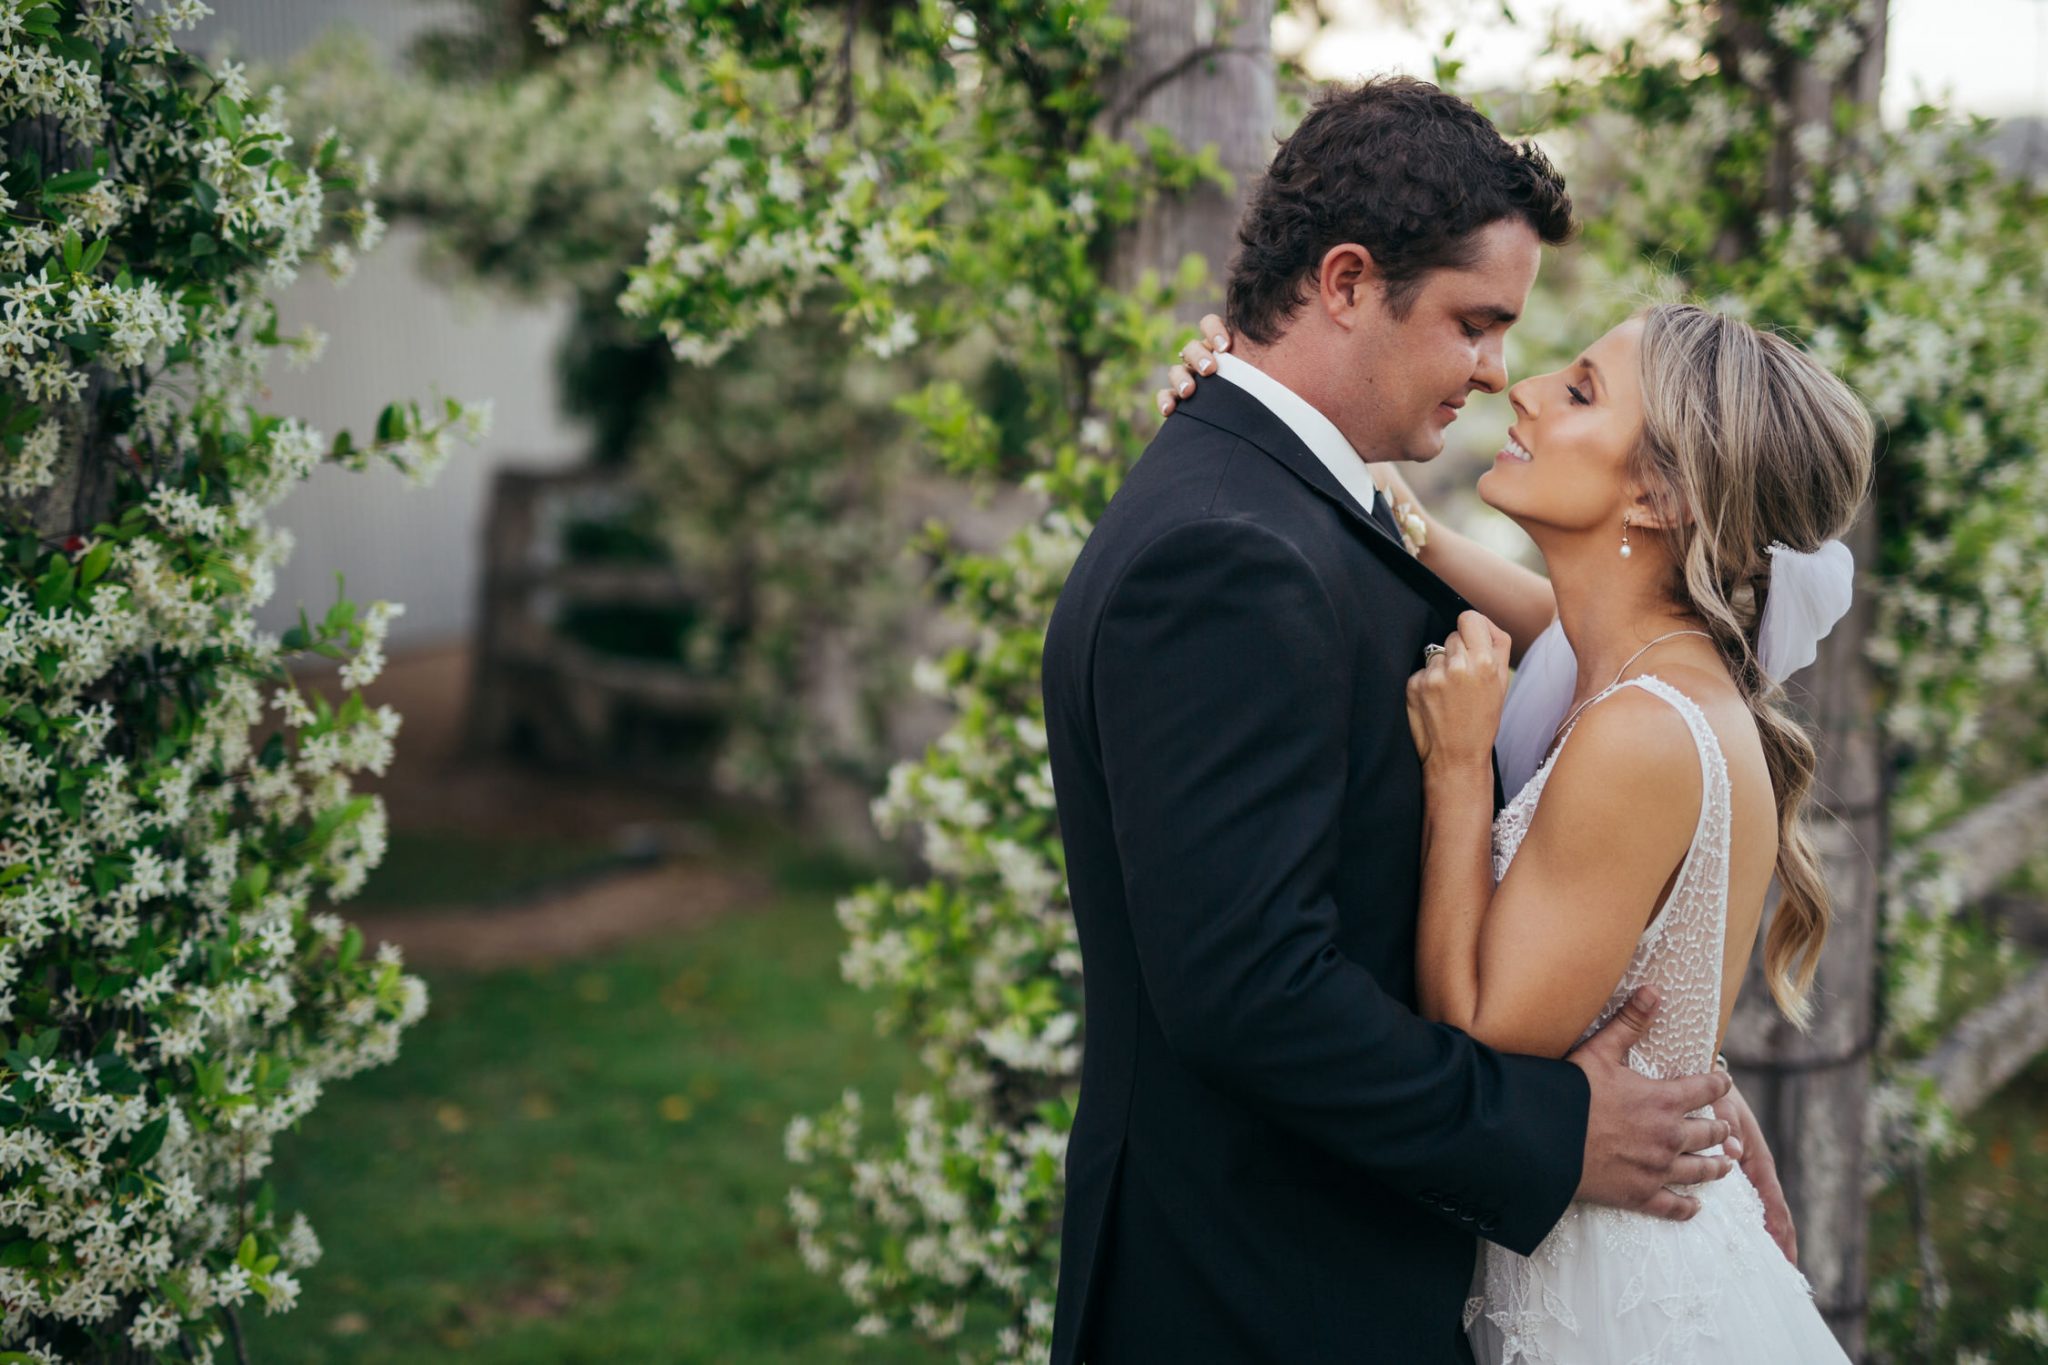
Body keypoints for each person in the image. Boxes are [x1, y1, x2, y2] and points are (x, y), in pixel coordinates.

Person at [1040, 76, 1760, 1365]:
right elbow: (1248, 993)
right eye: (1474, 325)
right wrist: (1547, 1133)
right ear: (1346, 282)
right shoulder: (1224, 550)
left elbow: (1573, 663)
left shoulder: (1298, 509)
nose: (1498, 375)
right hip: (1249, 1297)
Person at [1160, 297, 1872, 1361]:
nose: (1525, 389)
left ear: (1661, 493)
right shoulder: (1621, 661)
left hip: (1613, 1299)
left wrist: (1456, 769)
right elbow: (1444, 554)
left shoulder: (1640, 730)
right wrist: (1267, 402)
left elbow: (1479, 1038)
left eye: (1579, 391)